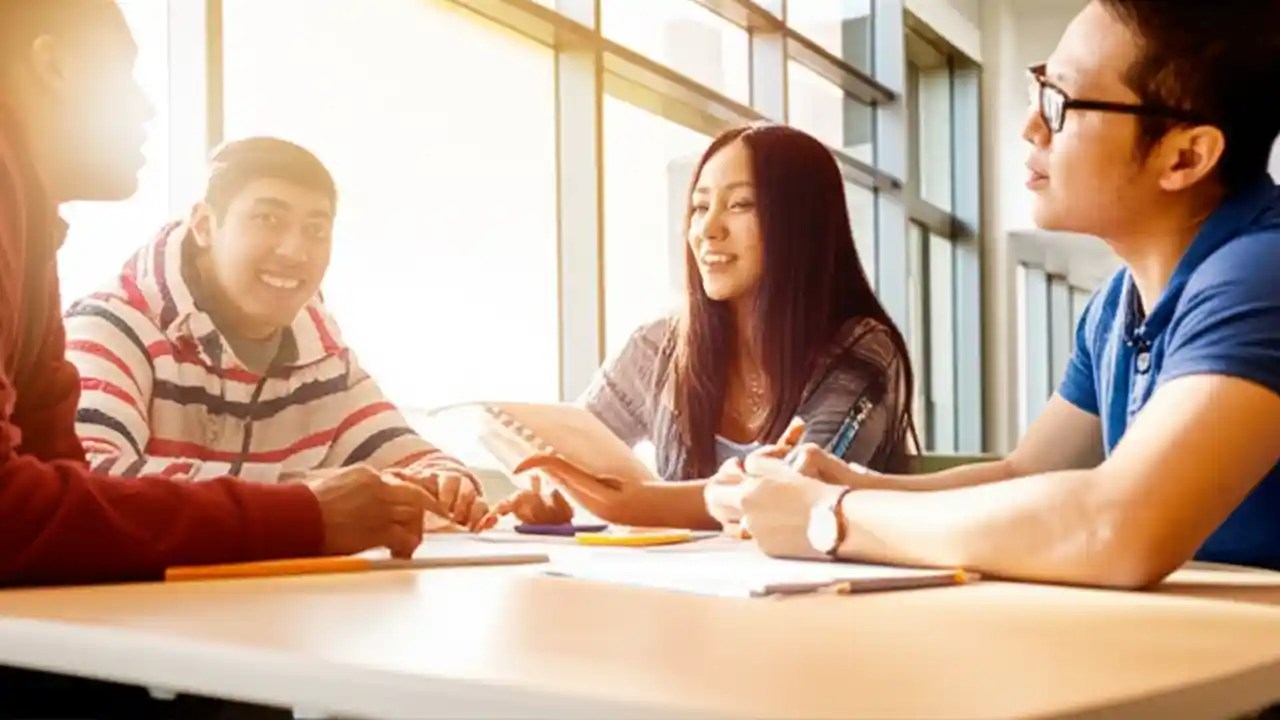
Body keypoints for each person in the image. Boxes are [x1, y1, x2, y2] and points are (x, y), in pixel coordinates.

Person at [730, 0, 1280, 587]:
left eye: (1060, 102)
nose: (1031, 126)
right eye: (1041, 86)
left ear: (1184, 157)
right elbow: (1026, 473)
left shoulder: (1263, 273)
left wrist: (831, 517)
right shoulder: (1118, 302)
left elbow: (1116, 528)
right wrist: (846, 485)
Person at [495, 124, 916, 529]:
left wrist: (631, 503)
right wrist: (557, 494)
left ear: (801, 223)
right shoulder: (657, 347)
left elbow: (796, 494)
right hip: (685, 578)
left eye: (740, 205)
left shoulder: (862, 353)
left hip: (814, 579)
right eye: (699, 207)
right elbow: (573, 455)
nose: (708, 230)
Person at [65, 137, 490, 531]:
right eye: (267, 219)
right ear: (205, 225)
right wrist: (308, 499)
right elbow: (92, 483)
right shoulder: (111, 327)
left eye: (316, 230)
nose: (294, 252)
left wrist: (447, 485)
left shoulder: (320, 348)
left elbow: (409, 457)